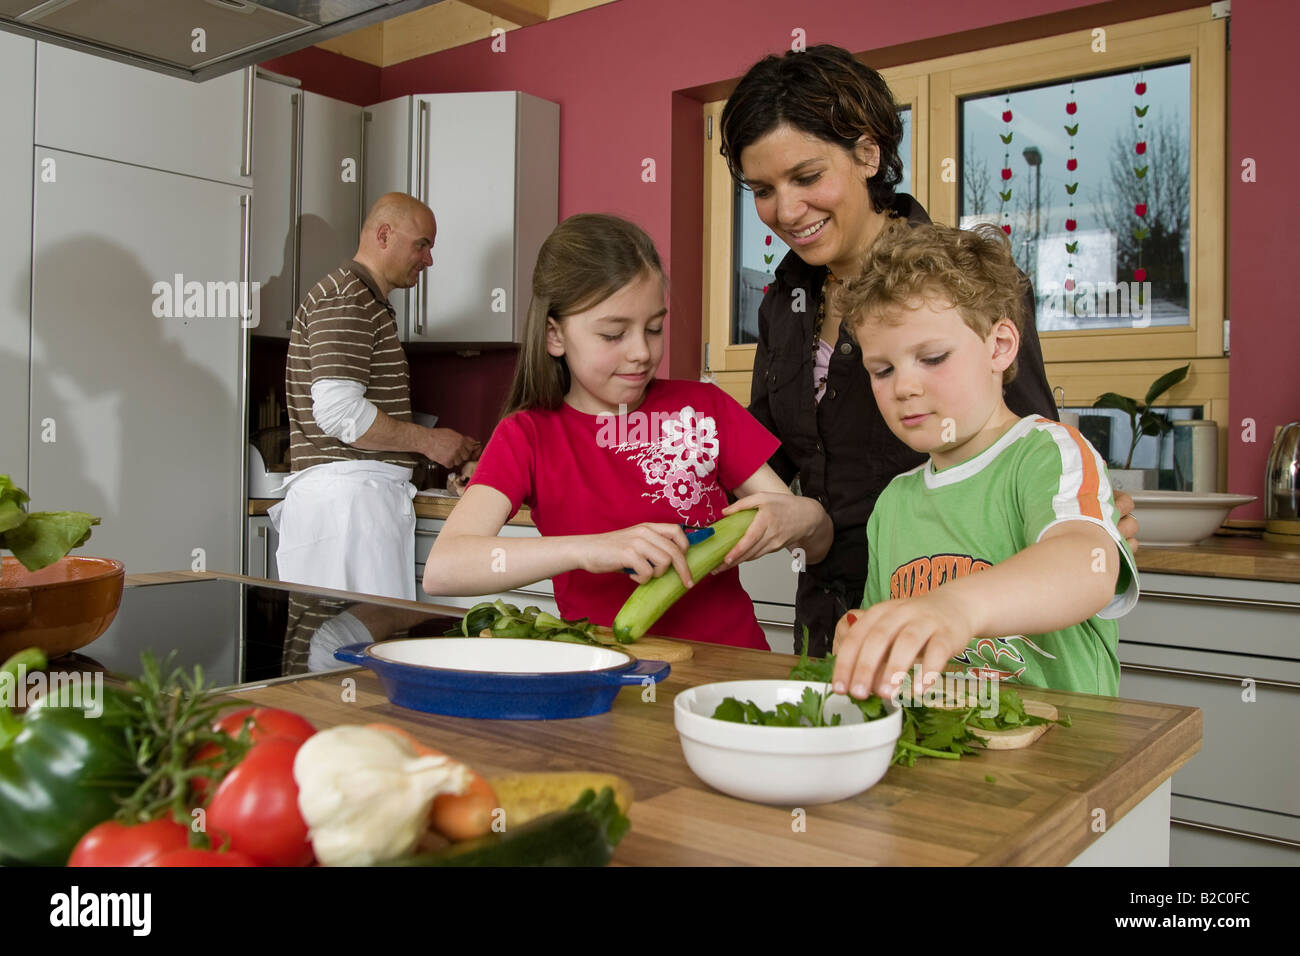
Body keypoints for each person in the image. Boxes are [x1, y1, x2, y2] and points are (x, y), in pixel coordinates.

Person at [718, 44, 1138, 657]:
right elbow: (773, 455)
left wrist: (1084, 513)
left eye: (807, 177)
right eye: (762, 188)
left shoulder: (966, 283)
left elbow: (1022, 443)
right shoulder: (784, 300)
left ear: (868, 152)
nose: (785, 210)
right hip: (836, 611)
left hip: (970, 625)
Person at [423, 213, 832, 649]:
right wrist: (590, 549)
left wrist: (811, 517)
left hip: (732, 668)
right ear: (554, 336)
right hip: (605, 676)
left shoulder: (704, 409)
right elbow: (444, 568)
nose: (641, 352)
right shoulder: (527, 436)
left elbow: (812, 547)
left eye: (654, 328)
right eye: (614, 334)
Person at [830, 221, 1138, 699]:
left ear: (999, 346)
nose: (904, 387)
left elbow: (1091, 565)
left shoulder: (1048, 454)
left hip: (1067, 756)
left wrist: (955, 607)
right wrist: (862, 634)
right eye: (883, 369)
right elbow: (884, 631)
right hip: (947, 754)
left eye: (932, 358)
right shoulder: (893, 501)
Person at [272, 193, 479, 600]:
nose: (428, 260)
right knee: (348, 653)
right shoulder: (347, 298)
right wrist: (431, 442)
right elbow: (339, 413)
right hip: (347, 510)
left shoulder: (364, 300)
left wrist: (434, 450)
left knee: (346, 649)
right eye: (422, 244)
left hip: (351, 508)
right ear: (384, 234)